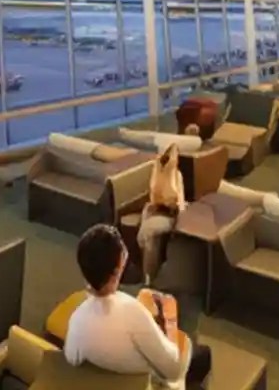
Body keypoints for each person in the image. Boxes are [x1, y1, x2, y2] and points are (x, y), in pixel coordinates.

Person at [64, 225, 211, 389]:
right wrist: (170, 319)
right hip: (148, 383)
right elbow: (173, 369)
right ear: (117, 268)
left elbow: (72, 358)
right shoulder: (132, 313)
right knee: (203, 356)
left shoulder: (77, 319)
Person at [137, 143, 185, 285]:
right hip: (156, 210)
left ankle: (148, 275)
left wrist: (170, 172)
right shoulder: (156, 171)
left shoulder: (177, 175)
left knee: (146, 232)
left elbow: (179, 202)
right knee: (150, 239)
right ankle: (149, 275)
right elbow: (153, 196)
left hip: (170, 215)